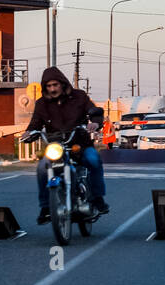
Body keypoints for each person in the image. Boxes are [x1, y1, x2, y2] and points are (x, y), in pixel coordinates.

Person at [22, 66, 109, 224]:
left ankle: (98, 199)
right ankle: (46, 208)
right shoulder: (42, 103)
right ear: (45, 87)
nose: (52, 89)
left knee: (94, 159)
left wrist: (95, 123)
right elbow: (35, 123)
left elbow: (93, 111)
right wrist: (29, 133)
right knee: (42, 168)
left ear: (62, 83)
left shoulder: (79, 97)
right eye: (49, 86)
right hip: (56, 146)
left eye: (55, 85)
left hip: (80, 143)